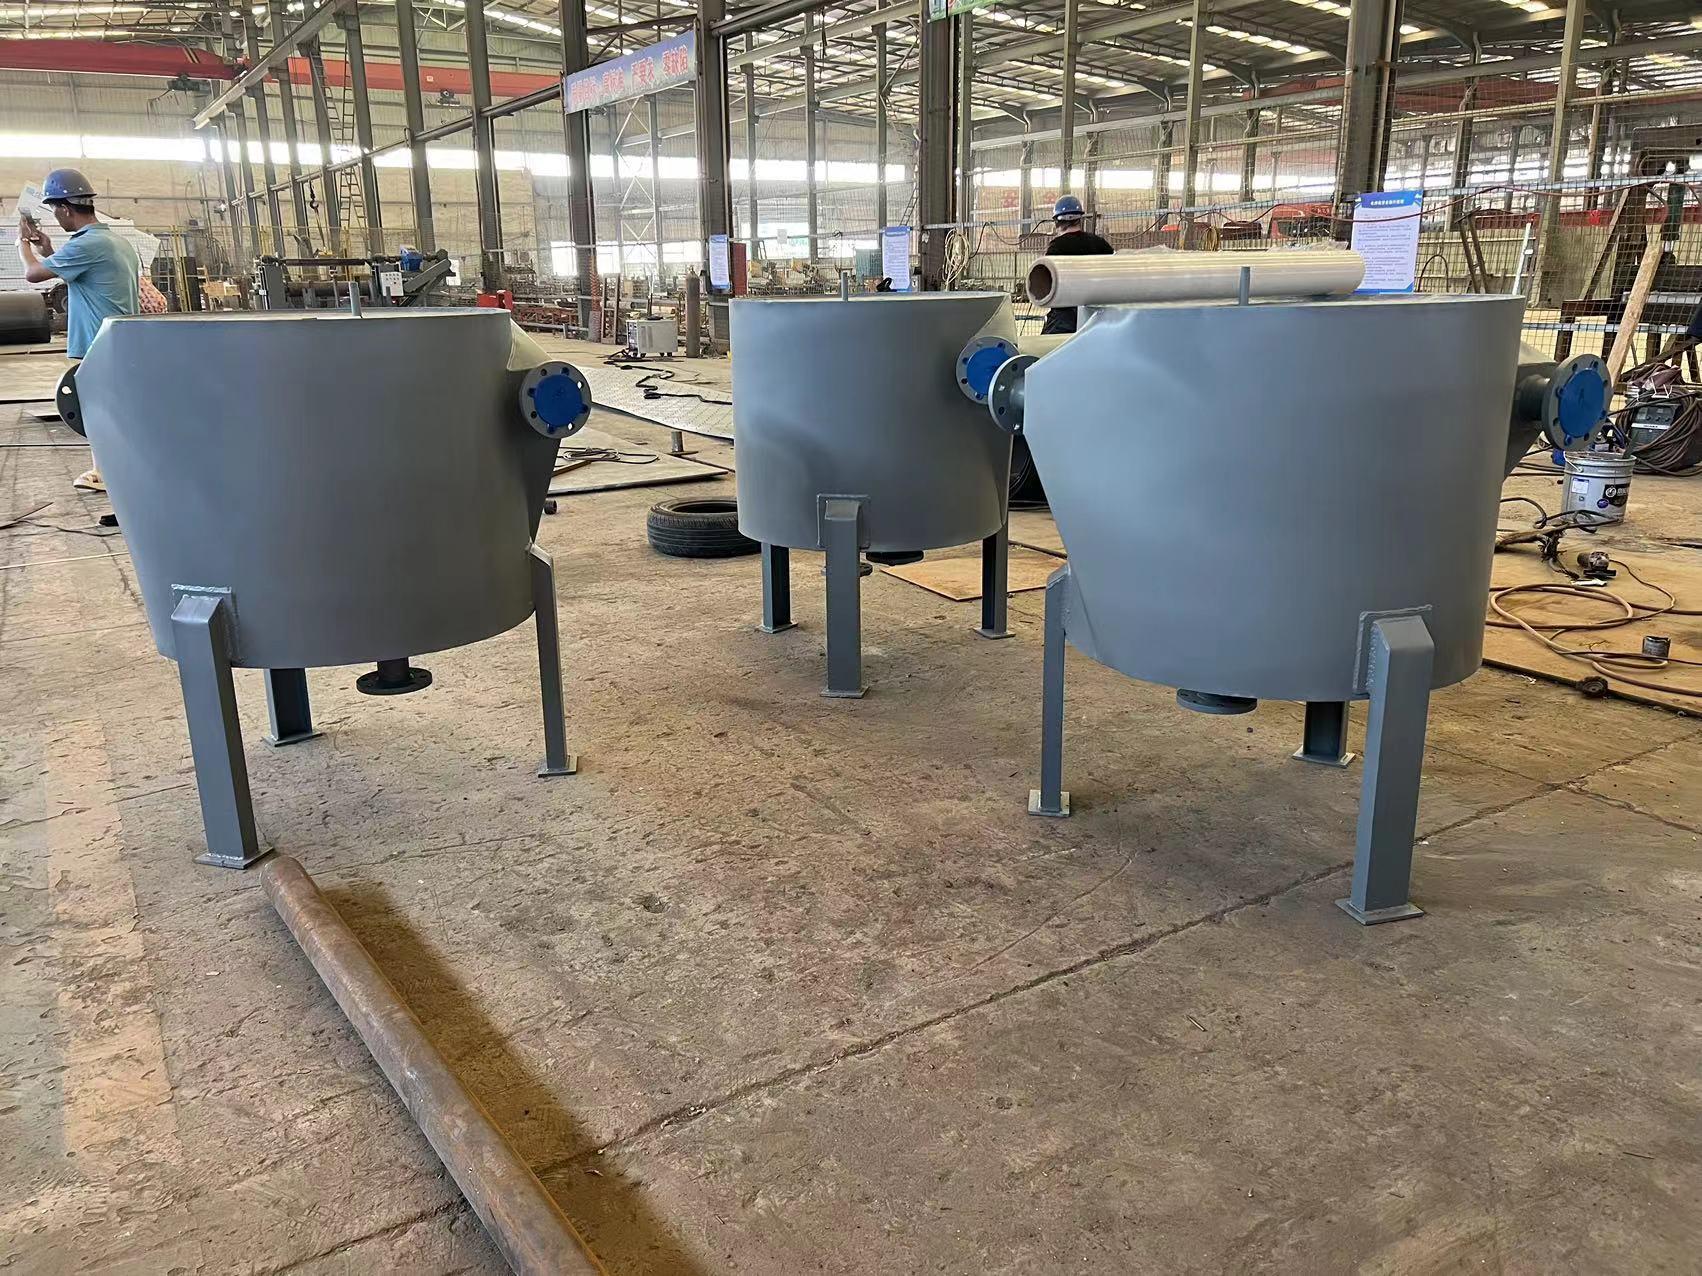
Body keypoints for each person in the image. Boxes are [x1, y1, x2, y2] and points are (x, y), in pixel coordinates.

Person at [17, 167, 141, 492]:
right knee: (112, 410)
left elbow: (33, 274)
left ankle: (106, 474)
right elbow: (76, 274)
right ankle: (115, 470)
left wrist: (22, 244)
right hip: (119, 341)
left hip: (99, 344)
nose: (56, 217)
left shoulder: (89, 244)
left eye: (55, 210)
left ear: (65, 208)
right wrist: (47, 249)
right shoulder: (114, 241)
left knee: (98, 411)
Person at [1040, 194, 1114, 336]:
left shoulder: (1056, 247)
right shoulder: (1099, 243)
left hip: (1065, 315)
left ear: (1057, 222)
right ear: (1079, 219)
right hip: (1098, 316)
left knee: (1048, 346)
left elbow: (1046, 283)